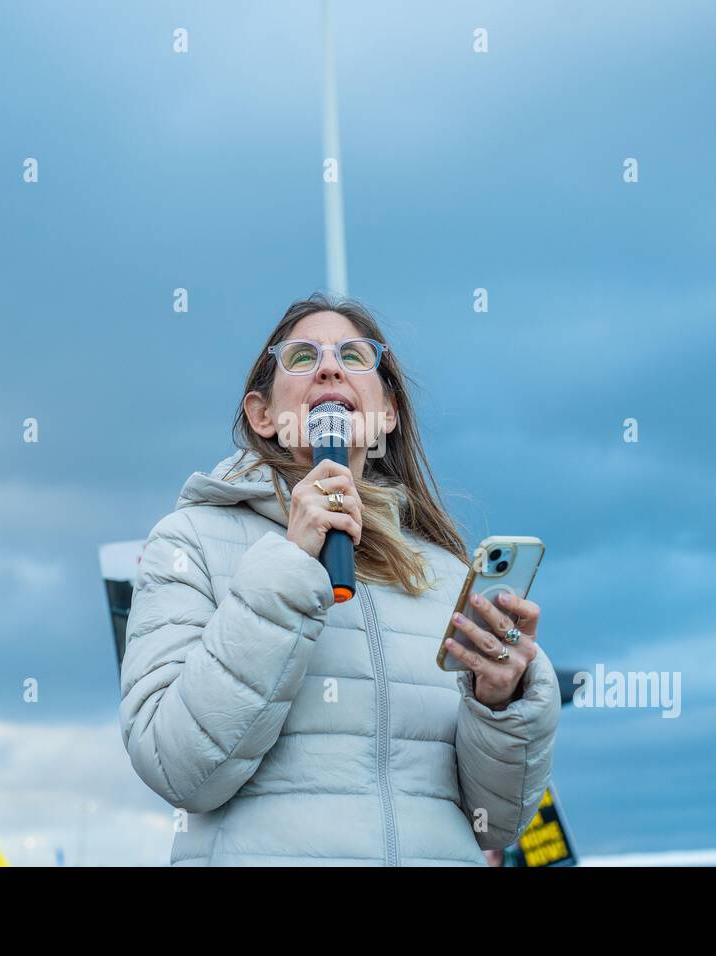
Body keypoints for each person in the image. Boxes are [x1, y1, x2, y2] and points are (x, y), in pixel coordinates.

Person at [118, 293, 562, 865]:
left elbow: (496, 821)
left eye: (355, 356)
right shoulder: (190, 542)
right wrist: (287, 568)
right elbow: (175, 766)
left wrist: (499, 701)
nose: (330, 366)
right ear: (263, 415)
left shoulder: (444, 574)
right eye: (302, 357)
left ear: (388, 412)